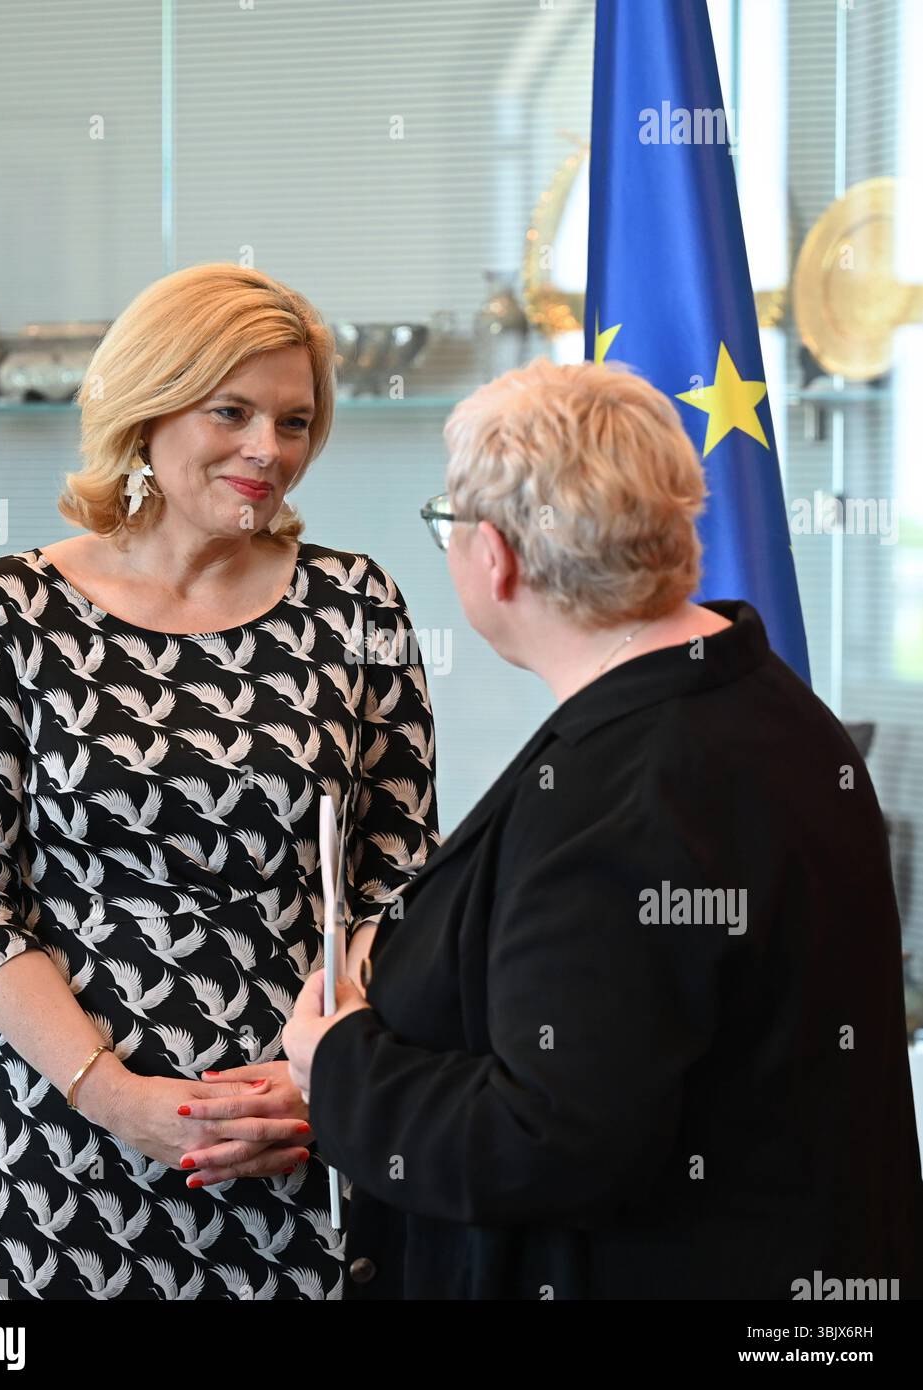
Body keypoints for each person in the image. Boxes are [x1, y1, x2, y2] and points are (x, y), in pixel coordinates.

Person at [283, 356, 923, 1300]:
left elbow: (553, 1139)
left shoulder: (627, 795)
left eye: (447, 524)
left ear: (493, 554)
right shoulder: (761, 700)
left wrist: (335, 1065)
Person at [0, 262, 438, 1300]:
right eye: (231, 411)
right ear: (149, 406)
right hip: (64, 1169)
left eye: (293, 422)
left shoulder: (355, 605)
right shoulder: (11, 609)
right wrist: (116, 1098)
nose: (268, 451)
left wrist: (309, 1076)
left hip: (299, 1148)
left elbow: (401, 881)